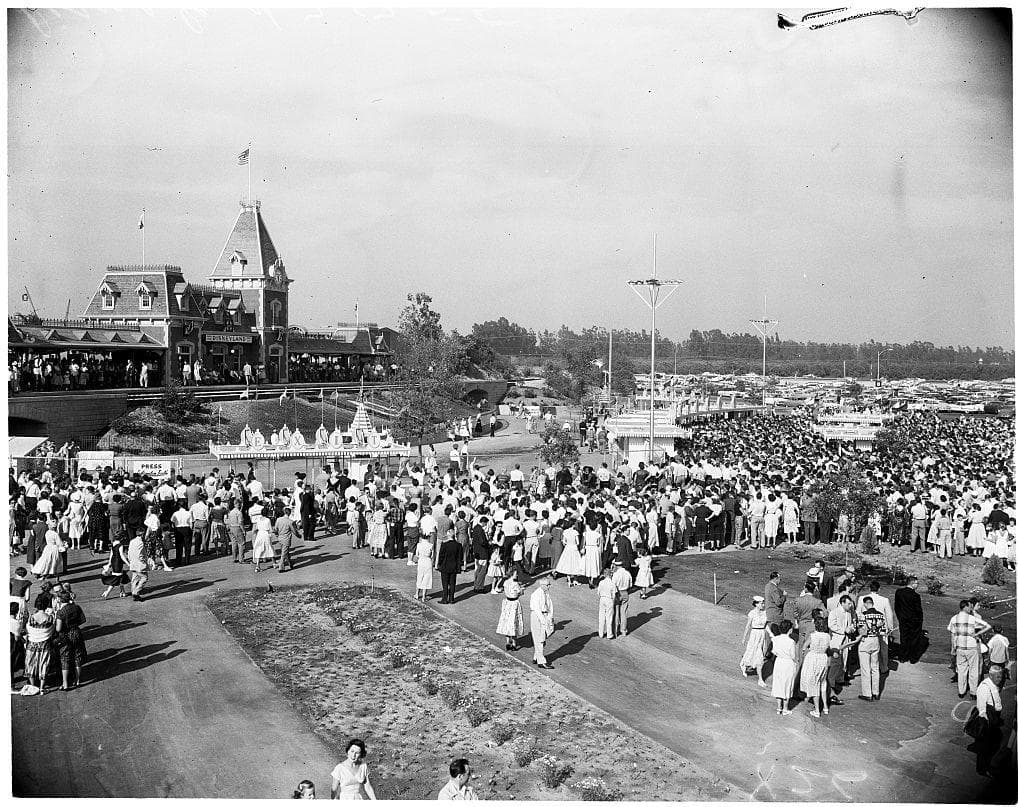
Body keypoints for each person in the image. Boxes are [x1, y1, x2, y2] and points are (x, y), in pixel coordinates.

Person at [949, 599, 991, 699]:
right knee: (973, 670)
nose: (971, 608)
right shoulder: (972, 619)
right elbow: (987, 626)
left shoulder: (954, 618)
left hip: (960, 647)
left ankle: (961, 691)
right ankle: (973, 692)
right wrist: (976, 634)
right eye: (970, 606)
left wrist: (953, 647)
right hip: (972, 647)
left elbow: (953, 635)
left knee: (961, 670)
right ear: (966, 607)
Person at [972, 665, 1005, 777]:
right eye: (997, 677)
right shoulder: (984, 687)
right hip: (987, 719)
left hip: (993, 717)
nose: (1000, 679)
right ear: (991, 675)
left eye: (1001, 677)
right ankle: (982, 768)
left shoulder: (993, 685)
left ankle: (986, 765)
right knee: (985, 746)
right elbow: (981, 706)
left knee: (992, 743)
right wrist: (985, 719)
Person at [800, 610, 834, 717]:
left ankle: (817, 710)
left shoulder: (813, 635)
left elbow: (804, 646)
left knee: (813, 683)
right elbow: (828, 647)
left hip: (813, 658)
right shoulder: (828, 636)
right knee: (823, 682)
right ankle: (825, 707)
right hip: (823, 658)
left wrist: (808, 649)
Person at [53, 590, 87, 690]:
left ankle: (65, 683)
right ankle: (77, 680)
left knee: (65, 658)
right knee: (78, 656)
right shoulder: (76, 607)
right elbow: (83, 620)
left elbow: (58, 629)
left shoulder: (61, 612)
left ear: (59, 599)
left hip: (65, 635)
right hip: (76, 632)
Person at [856, 595, 887, 701]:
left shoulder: (863, 615)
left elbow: (861, 631)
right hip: (876, 641)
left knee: (865, 668)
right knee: (875, 668)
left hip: (866, 641)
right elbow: (883, 631)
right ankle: (876, 692)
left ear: (865, 604)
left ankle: (867, 693)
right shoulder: (881, 615)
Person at [23, 596, 54, 694]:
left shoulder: (32, 617)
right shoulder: (50, 618)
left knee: (30, 664)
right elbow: (51, 631)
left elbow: (27, 629)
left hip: (32, 643)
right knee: (44, 664)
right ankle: (41, 688)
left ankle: (33, 687)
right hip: (45, 644)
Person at [894, 576, 925, 663]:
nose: (917, 585)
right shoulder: (915, 596)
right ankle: (912, 657)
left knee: (904, 637)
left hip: (903, 619)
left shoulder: (899, 592)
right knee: (914, 639)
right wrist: (920, 620)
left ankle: (903, 656)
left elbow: (897, 606)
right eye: (916, 583)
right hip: (914, 620)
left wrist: (899, 617)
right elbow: (918, 610)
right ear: (912, 583)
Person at [770, 620, 798, 715]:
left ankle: (779, 708)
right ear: (790, 630)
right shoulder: (791, 642)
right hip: (788, 663)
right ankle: (785, 708)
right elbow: (793, 655)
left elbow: (774, 651)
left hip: (779, 662)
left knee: (778, 683)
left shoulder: (776, 639)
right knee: (787, 684)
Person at [740, 596, 769, 687]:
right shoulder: (752, 613)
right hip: (754, 635)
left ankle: (748, 666)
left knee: (759, 654)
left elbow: (766, 626)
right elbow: (748, 626)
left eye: (763, 603)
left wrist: (772, 635)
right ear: (756, 604)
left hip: (761, 635)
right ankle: (759, 678)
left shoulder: (765, 613)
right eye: (761, 603)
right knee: (752, 652)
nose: (763, 605)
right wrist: (744, 638)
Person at [496, 569, 526, 651]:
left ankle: (507, 642)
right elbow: (519, 593)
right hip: (514, 603)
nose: (516, 576)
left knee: (506, 621)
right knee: (514, 621)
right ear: (512, 574)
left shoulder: (506, 582)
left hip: (507, 602)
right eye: (515, 574)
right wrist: (522, 590)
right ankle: (514, 643)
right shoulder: (515, 584)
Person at [529, 577, 555, 669]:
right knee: (539, 639)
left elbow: (550, 606)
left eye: (549, 584)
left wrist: (549, 617)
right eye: (547, 585)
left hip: (544, 616)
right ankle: (541, 661)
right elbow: (536, 609)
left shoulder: (546, 594)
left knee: (542, 638)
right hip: (537, 617)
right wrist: (543, 621)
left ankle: (536, 657)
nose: (549, 586)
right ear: (542, 585)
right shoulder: (536, 594)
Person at [436, 532, 464, 604]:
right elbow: (460, 556)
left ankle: (445, 598)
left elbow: (441, 556)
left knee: (445, 583)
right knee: (452, 583)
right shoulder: (459, 545)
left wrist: (439, 564)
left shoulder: (445, 545)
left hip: (445, 566)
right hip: (454, 566)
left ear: (448, 535)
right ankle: (452, 598)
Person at [611, 560, 633, 638]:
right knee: (623, 612)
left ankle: (615, 631)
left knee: (616, 612)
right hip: (625, 592)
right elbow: (630, 585)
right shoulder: (627, 573)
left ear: (616, 566)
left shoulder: (616, 575)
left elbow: (613, 586)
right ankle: (623, 630)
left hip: (618, 593)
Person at [251, 507, 275, 573]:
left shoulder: (258, 519)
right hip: (266, 534)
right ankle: (274, 563)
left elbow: (255, 529)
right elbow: (270, 529)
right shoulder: (267, 520)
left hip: (260, 534)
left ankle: (257, 566)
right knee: (269, 547)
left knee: (259, 549)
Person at [596, 569, 617, 640]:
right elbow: (614, 595)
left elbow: (598, 593)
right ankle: (609, 634)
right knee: (609, 617)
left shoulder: (601, 582)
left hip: (602, 599)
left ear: (605, 575)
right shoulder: (612, 583)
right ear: (610, 575)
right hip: (609, 599)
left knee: (601, 616)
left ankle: (601, 633)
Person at [127, 531, 148, 601]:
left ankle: (134, 593)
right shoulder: (140, 543)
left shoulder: (132, 541)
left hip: (133, 563)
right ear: (142, 535)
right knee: (144, 578)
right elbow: (140, 555)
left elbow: (129, 552)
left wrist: (130, 561)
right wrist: (144, 561)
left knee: (135, 579)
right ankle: (136, 592)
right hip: (139, 564)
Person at [275, 507, 296, 572]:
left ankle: (290, 563)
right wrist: (299, 535)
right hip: (286, 539)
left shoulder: (278, 519)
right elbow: (294, 531)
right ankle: (281, 567)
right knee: (284, 553)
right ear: (289, 513)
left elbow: (275, 529)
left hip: (280, 538)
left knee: (285, 552)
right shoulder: (290, 522)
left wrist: (277, 535)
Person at [414, 533, 434, 601]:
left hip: (421, 561)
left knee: (419, 576)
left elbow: (417, 554)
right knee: (426, 578)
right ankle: (423, 596)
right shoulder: (431, 545)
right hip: (428, 561)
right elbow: (432, 555)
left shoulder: (419, 545)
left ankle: (417, 594)